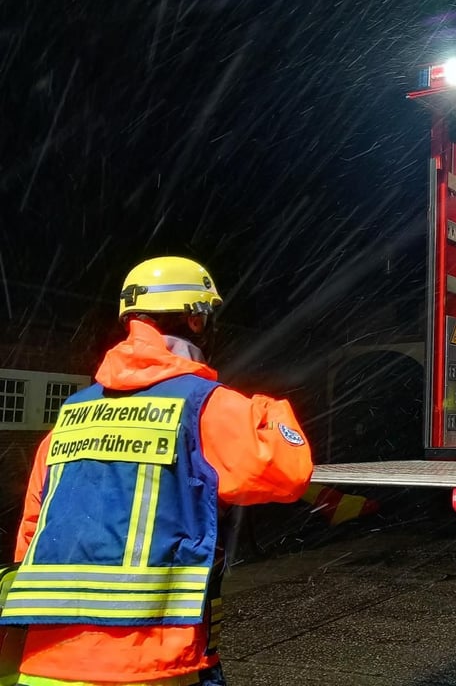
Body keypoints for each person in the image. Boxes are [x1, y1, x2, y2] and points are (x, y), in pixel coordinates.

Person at [0, 257, 314, 685]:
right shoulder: (204, 405)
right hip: (152, 664)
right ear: (197, 321)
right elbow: (287, 471)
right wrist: (270, 408)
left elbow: (31, 533)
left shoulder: (73, 414)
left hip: (43, 663)